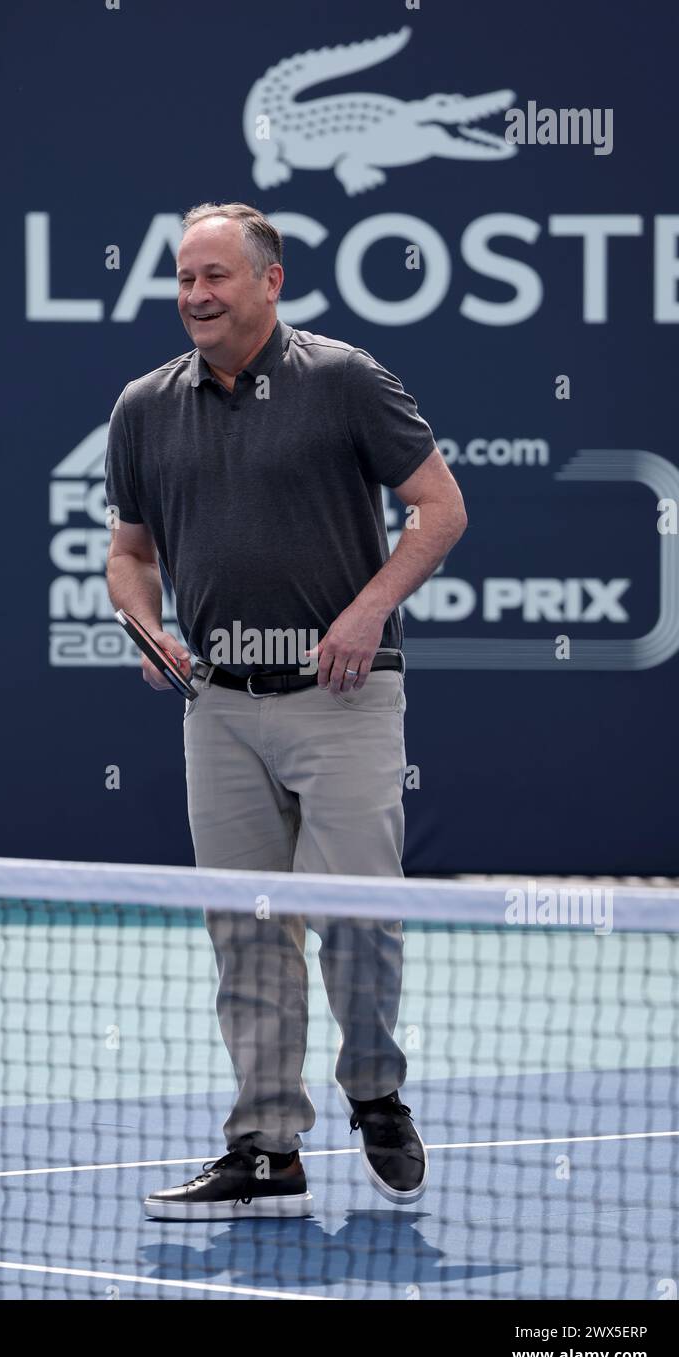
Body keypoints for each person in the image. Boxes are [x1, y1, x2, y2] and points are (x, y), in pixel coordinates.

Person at [105, 202, 467, 1219]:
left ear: (269, 281)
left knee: (358, 918)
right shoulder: (142, 406)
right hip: (216, 707)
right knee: (248, 931)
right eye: (182, 278)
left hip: (343, 697)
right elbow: (128, 553)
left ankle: (374, 1088)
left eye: (215, 276)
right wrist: (142, 622)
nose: (195, 296)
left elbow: (438, 507)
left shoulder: (345, 380)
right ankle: (265, 1140)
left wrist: (364, 611)